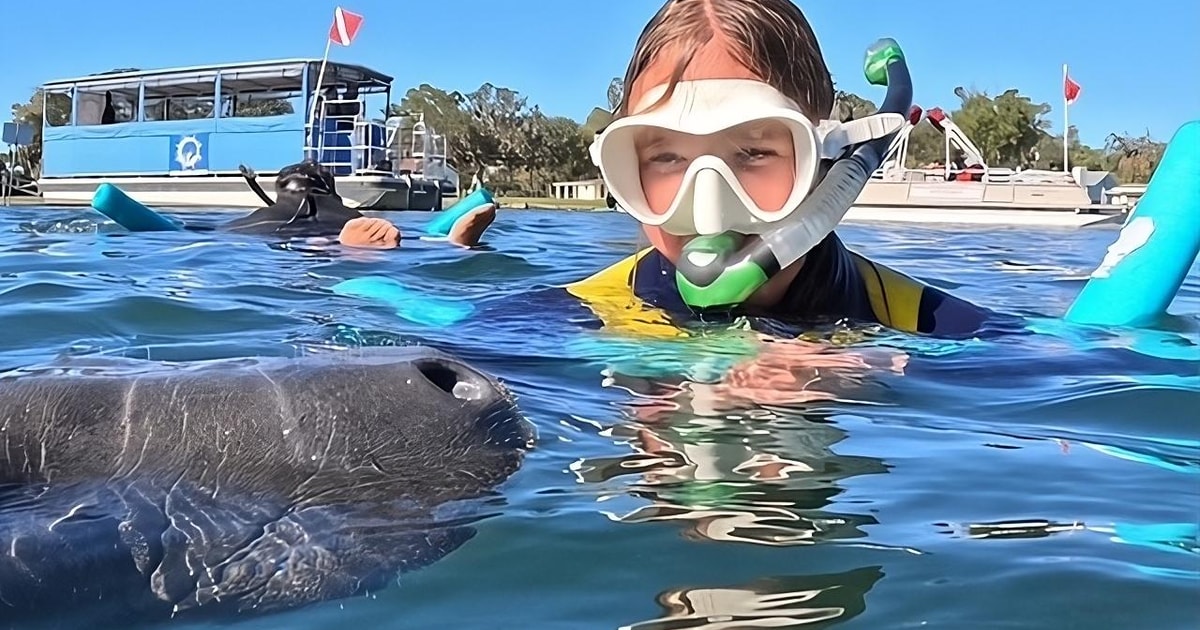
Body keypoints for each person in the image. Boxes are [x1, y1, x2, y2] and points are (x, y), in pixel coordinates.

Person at [568, 0, 993, 339]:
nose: (709, 211)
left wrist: (877, 375)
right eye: (667, 158)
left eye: (753, 153)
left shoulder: (914, 319)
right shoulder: (583, 312)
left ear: (825, 163)